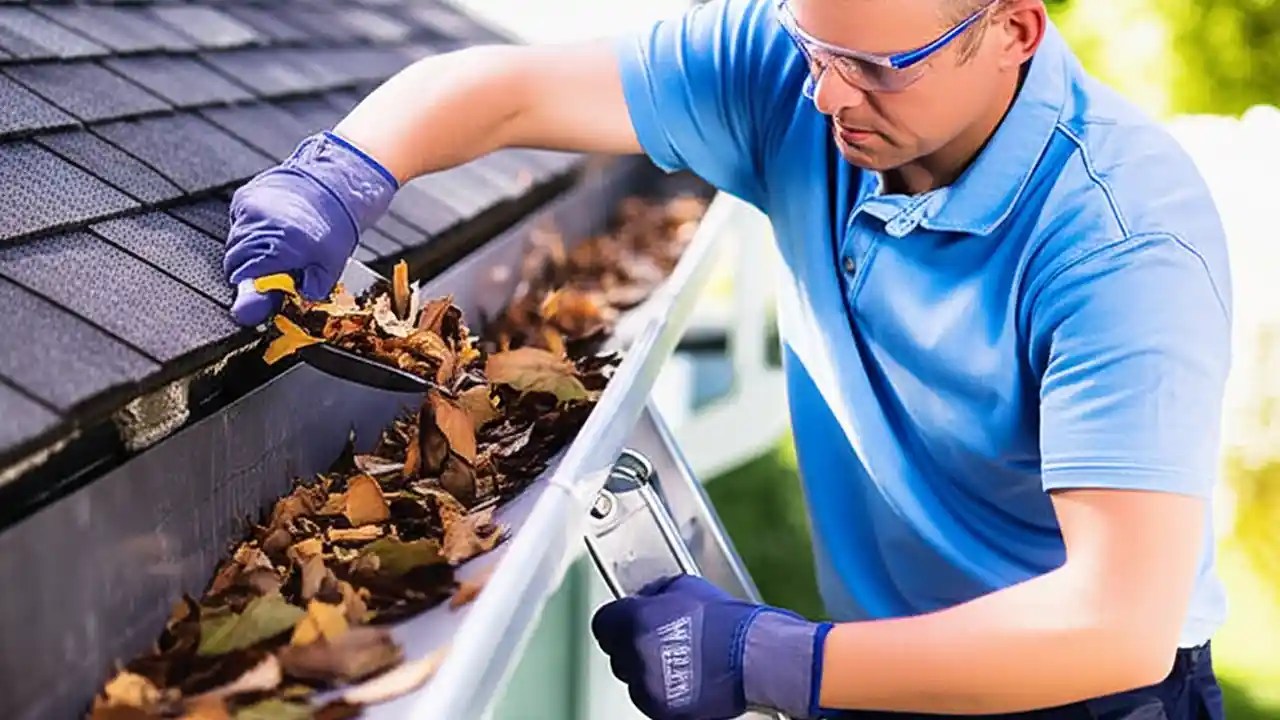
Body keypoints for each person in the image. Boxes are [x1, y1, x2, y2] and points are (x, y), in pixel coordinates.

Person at [222, 0, 1232, 718]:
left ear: (1012, 30)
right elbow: (507, 91)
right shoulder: (798, 66)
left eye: (877, 68)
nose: (829, 97)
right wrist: (342, 173)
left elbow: (1112, 623)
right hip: (877, 667)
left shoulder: (1119, 245)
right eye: (813, 47)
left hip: (1078, 695)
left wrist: (772, 659)